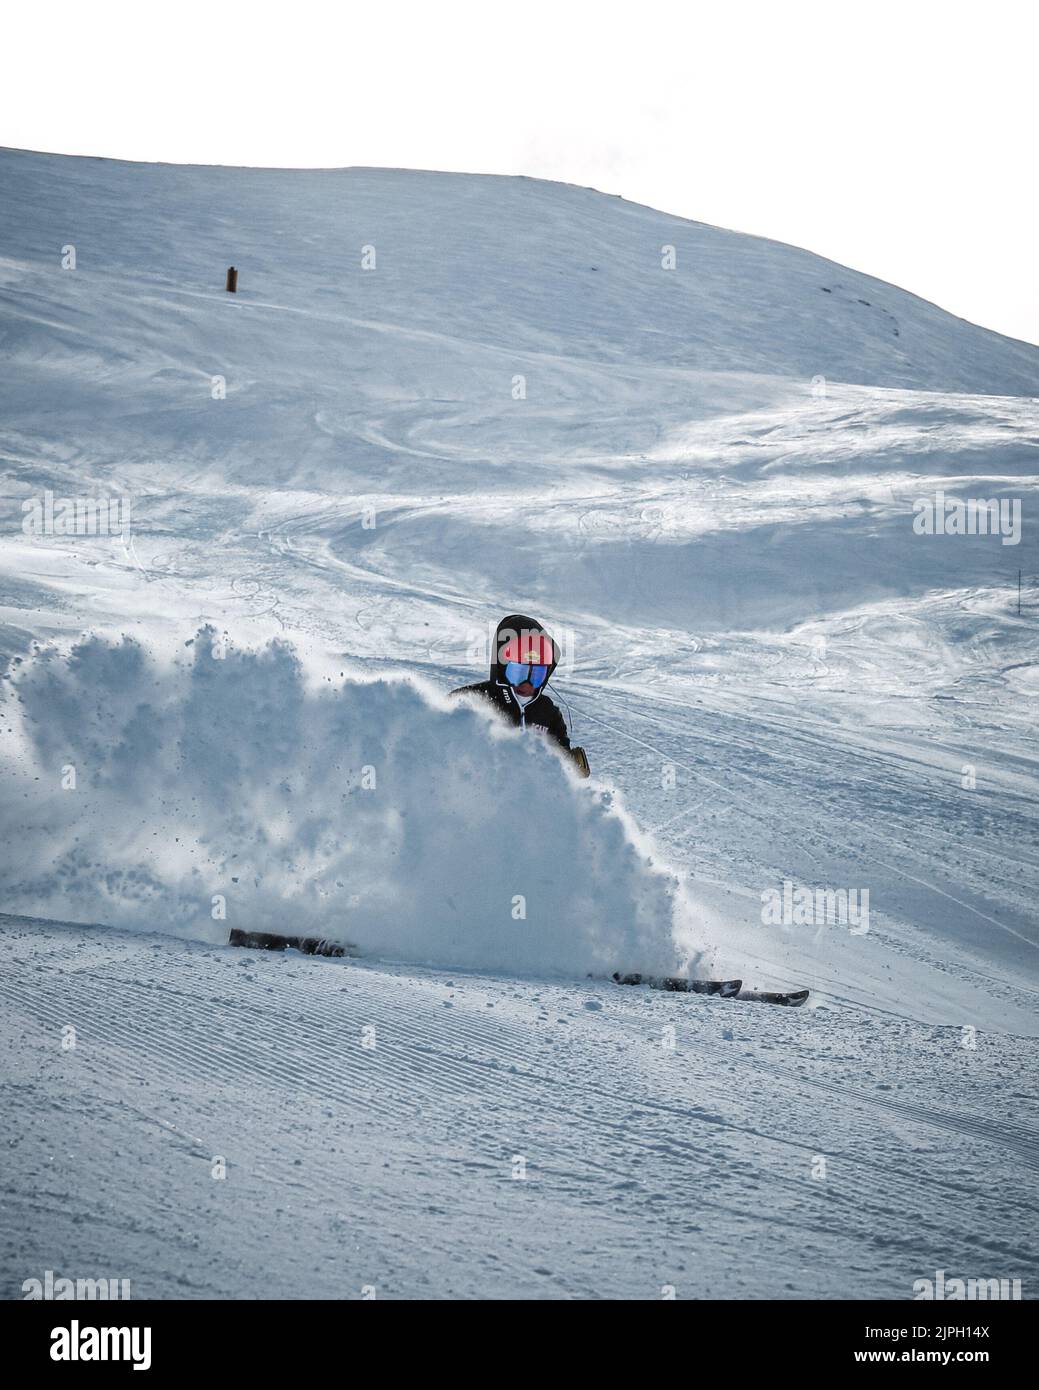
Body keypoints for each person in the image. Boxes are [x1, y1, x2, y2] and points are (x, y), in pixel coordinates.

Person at [451, 613, 590, 776]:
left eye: (537, 675)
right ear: (502, 667)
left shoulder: (548, 712)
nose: (528, 683)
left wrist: (571, 765)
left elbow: (562, 769)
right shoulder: (471, 699)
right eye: (520, 672)